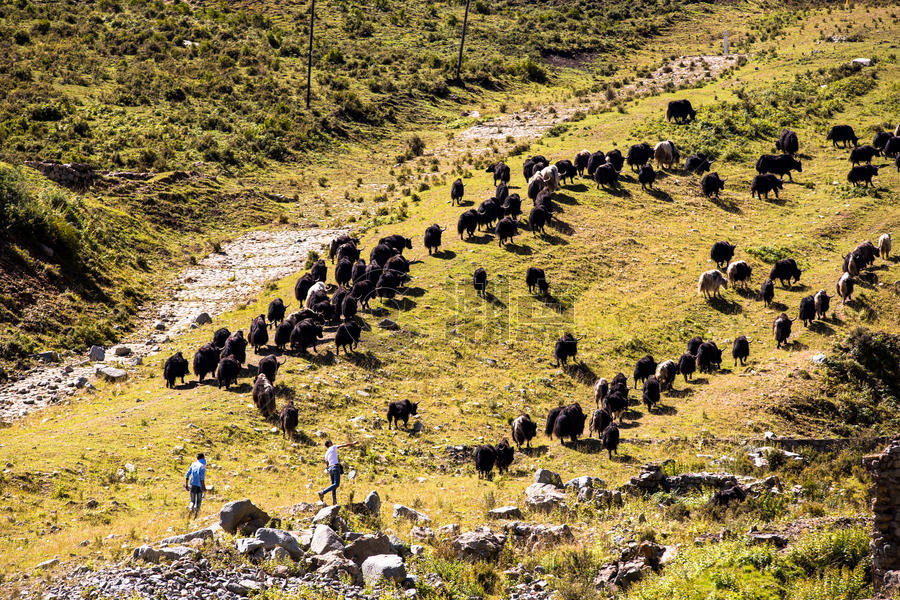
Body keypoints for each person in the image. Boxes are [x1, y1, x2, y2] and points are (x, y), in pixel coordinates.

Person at [317, 440, 357, 505]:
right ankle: (322, 492)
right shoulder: (333, 447)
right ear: (329, 444)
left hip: (330, 468)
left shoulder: (326, 453)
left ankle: (334, 502)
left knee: (334, 486)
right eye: (331, 442)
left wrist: (328, 468)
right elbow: (344, 445)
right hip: (335, 467)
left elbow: (326, 462)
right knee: (336, 484)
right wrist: (353, 443)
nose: (332, 443)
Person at [185, 453, 207, 519]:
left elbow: (188, 474)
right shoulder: (203, 465)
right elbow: (201, 477)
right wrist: (203, 486)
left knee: (192, 501)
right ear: (203, 457)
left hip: (192, 484)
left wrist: (186, 484)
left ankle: (190, 509)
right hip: (199, 485)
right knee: (199, 502)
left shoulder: (193, 464)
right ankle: (196, 516)